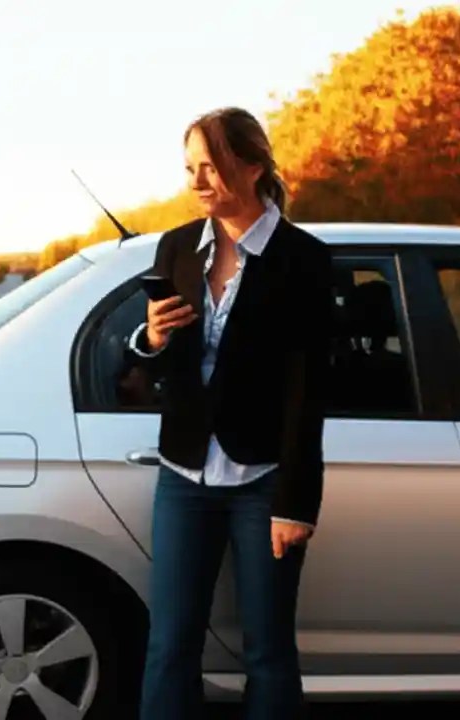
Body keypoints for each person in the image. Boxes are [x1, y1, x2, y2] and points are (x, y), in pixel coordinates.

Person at [128, 106, 333, 719]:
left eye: (210, 167)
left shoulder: (304, 261)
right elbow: (143, 374)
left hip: (263, 483)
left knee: (267, 651)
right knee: (169, 646)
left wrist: (296, 502)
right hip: (182, 477)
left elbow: (308, 388)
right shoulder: (175, 250)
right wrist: (152, 341)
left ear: (252, 166)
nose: (196, 182)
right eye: (189, 169)